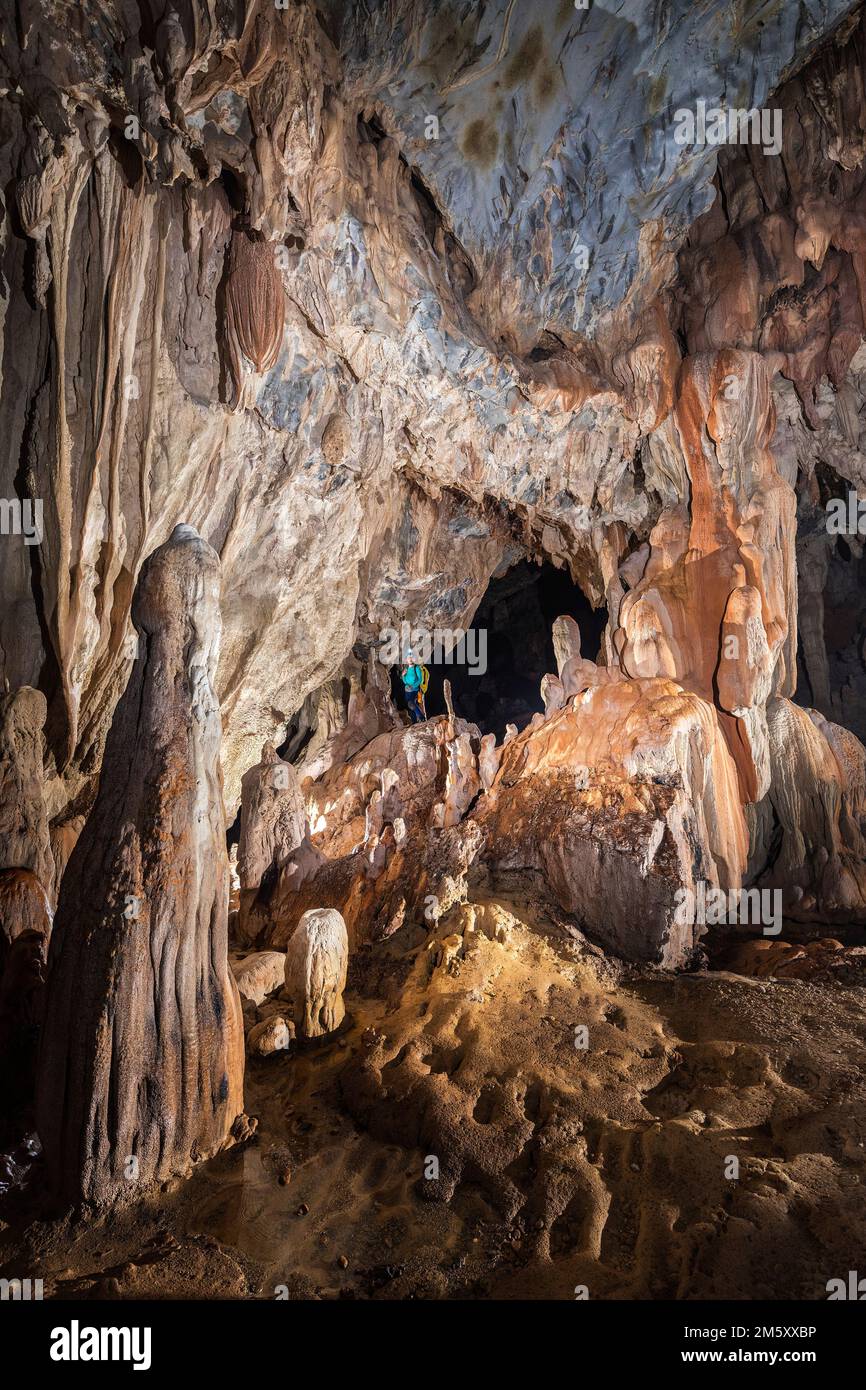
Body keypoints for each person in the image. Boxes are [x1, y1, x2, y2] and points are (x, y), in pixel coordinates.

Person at [401, 652, 426, 722]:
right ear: (406, 660)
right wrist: (403, 676)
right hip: (407, 691)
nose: (410, 659)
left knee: (411, 703)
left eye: (411, 658)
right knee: (410, 707)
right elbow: (405, 681)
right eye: (409, 658)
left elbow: (420, 679)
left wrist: (413, 686)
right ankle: (414, 722)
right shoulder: (406, 669)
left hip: (414, 690)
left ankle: (422, 717)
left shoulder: (416, 668)